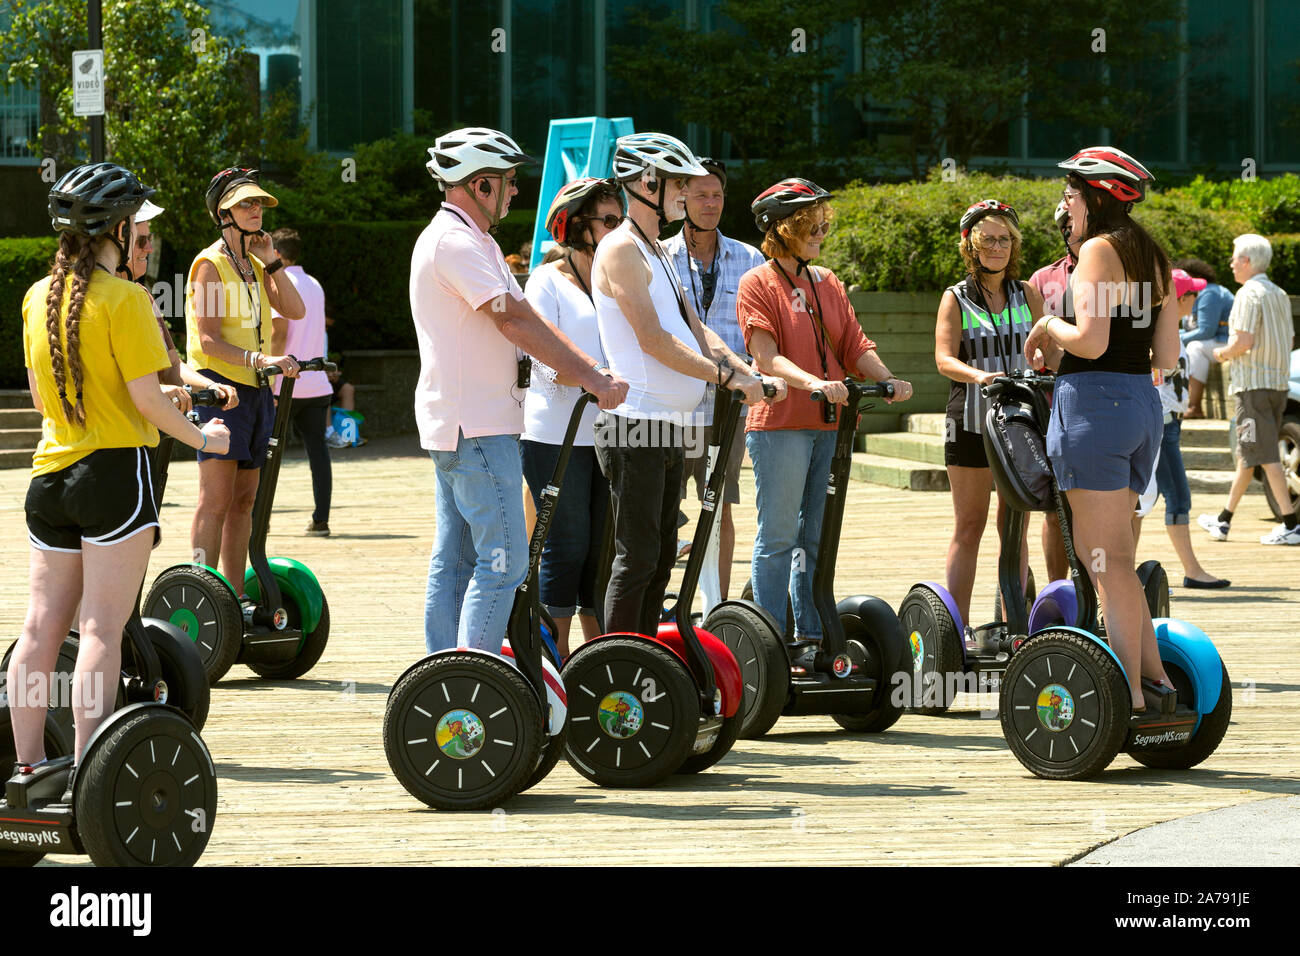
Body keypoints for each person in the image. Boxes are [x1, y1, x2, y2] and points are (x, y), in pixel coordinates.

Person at [8, 163, 229, 777]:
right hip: (114, 477)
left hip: (48, 478)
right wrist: (202, 437)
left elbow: (39, 397)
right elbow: (149, 401)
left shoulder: (36, 298)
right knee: (101, 628)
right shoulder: (127, 299)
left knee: (39, 628)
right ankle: (87, 770)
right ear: (120, 228)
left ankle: (25, 767)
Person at [414, 127, 628, 655]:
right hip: (479, 428)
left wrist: (580, 370)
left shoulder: (471, 239)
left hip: (466, 424)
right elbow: (511, 320)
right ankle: (479, 685)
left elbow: (524, 317)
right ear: (479, 184)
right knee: (503, 563)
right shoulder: (457, 241)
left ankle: (445, 673)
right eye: (507, 182)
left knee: (458, 561)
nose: (514, 192)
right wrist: (594, 377)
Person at [591, 132, 783, 638]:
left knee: (658, 560)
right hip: (636, 426)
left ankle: (648, 656)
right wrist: (725, 377)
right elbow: (653, 340)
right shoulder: (621, 249)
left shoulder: (655, 250)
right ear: (647, 183)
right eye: (677, 184)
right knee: (636, 559)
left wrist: (746, 375)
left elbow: (696, 331)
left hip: (670, 424)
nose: (685, 194)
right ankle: (617, 664)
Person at [1021, 146, 1178, 715]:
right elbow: (1167, 353)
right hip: (1142, 405)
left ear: (1092, 197)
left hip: (1094, 406)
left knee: (1105, 563)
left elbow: (1089, 341)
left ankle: (1132, 697)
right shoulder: (1155, 257)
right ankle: (1156, 683)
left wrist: (1045, 323)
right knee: (1118, 560)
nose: (1066, 205)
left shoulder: (1096, 251)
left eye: (1069, 194)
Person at [740, 178, 912, 667]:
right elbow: (765, 357)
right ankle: (769, 643)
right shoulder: (758, 283)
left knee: (816, 534)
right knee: (778, 536)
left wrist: (888, 379)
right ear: (780, 229)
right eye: (807, 222)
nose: (819, 229)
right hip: (781, 424)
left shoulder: (827, 282)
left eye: (821, 222)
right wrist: (812, 382)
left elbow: (855, 345)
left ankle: (811, 637)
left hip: (830, 424)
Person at [186, 168, 305, 599]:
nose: (256, 209)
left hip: (256, 392)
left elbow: (295, 309)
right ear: (223, 213)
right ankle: (202, 590)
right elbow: (208, 341)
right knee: (214, 500)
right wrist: (261, 358)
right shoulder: (209, 264)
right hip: (220, 390)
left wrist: (273, 258)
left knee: (244, 501)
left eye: (258, 203)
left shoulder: (255, 263)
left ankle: (233, 597)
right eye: (245, 203)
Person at [520, 178, 624, 657]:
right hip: (555, 436)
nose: (619, 227)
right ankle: (553, 669)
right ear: (577, 226)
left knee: (603, 555)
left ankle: (597, 663)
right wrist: (594, 377)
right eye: (609, 220)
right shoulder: (545, 281)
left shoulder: (616, 280)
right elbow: (540, 359)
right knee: (567, 548)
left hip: (613, 433)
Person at [935, 199, 1043, 634]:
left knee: (1014, 528)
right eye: (987, 240)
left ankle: (1012, 625)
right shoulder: (955, 297)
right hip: (971, 423)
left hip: (1020, 423)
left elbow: (1048, 346)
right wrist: (981, 376)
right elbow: (943, 359)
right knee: (970, 526)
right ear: (971, 245)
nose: (997, 247)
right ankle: (955, 631)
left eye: (1004, 239)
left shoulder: (1027, 293)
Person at [663, 157, 765, 602]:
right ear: (680, 198)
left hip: (727, 409)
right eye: (700, 194)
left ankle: (717, 610)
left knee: (720, 506)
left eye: (717, 195)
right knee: (660, 510)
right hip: (668, 405)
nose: (710, 203)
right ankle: (657, 605)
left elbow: (759, 334)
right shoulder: (658, 257)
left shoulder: (749, 257)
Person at [128, 198, 238, 503]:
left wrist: (210, 384)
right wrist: (201, 438)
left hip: (143, 443)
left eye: (149, 240)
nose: (149, 248)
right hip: (118, 449)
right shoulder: (118, 300)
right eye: (142, 241)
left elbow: (172, 364)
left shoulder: (144, 296)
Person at [1197, 233, 1299, 545]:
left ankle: (1291, 523)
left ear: (1246, 262)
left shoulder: (1247, 294)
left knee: (1264, 453)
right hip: (1278, 386)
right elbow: (1289, 338)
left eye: (1233, 258)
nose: (1230, 264)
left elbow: (1242, 342)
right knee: (1249, 452)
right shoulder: (1279, 293)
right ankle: (1224, 520)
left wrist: (1221, 354)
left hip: (1252, 388)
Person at [1133, 268, 1228, 587]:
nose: (1196, 300)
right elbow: (1157, 383)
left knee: (1158, 498)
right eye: (1192, 295)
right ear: (1180, 297)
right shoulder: (1159, 335)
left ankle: (1189, 569)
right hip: (1160, 426)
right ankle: (1190, 570)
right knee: (1156, 499)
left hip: (1167, 425)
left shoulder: (1168, 331)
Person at [268, 227, 334, 536]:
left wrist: (269, 380)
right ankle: (321, 519)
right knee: (318, 452)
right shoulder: (315, 284)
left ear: (277, 254)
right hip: (316, 381)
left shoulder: (278, 284)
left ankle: (259, 520)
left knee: (268, 454)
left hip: (285, 384)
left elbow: (278, 334)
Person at [1026, 200, 1076, 583]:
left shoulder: (1115, 269)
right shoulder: (1043, 279)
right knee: (1055, 505)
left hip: (1100, 397)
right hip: (1051, 400)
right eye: (1066, 223)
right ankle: (1057, 588)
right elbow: (1032, 340)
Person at [1175, 257, 1234, 419]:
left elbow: (1206, 331)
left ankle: (1194, 407)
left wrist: (1176, 340)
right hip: (1213, 341)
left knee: (1195, 348)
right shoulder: (1197, 293)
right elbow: (1187, 330)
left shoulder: (1210, 293)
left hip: (1226, 340)